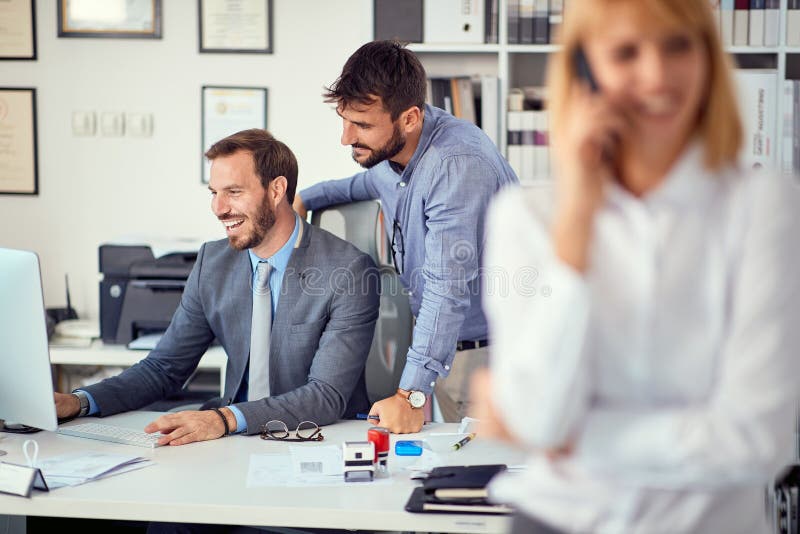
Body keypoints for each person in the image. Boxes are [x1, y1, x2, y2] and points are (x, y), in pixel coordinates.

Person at [471, 1, 800, 533]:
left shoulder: (761, 205)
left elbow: (758, 441)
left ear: (708, 57)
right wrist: (577, 223)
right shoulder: (527, 217)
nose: (657, 76)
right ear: (584, 70)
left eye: (678, 45)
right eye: (626, 52)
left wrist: (576, 438)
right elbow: (538, 414)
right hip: (557, 521)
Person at [55, 129, 380, 445]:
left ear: (277, 190)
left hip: (316, 439)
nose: (218, 208)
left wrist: (223, 419)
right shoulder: (213, 262)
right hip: (232, 441)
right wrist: (79, 402)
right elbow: (163, 368)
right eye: (214, 192)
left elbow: (325, 395)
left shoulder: (347, 270)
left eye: (234, 192)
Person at [293, 40, 519, 433]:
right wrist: (303, 198)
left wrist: (411, 393)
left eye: (362, 125)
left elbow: (446, 288)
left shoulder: (456, 165)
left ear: (410, 117)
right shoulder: (394, 151)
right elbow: (362, 184)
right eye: (344, 120)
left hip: (491, 358)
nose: (346, 138)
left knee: (487, 483)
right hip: (449, 349)